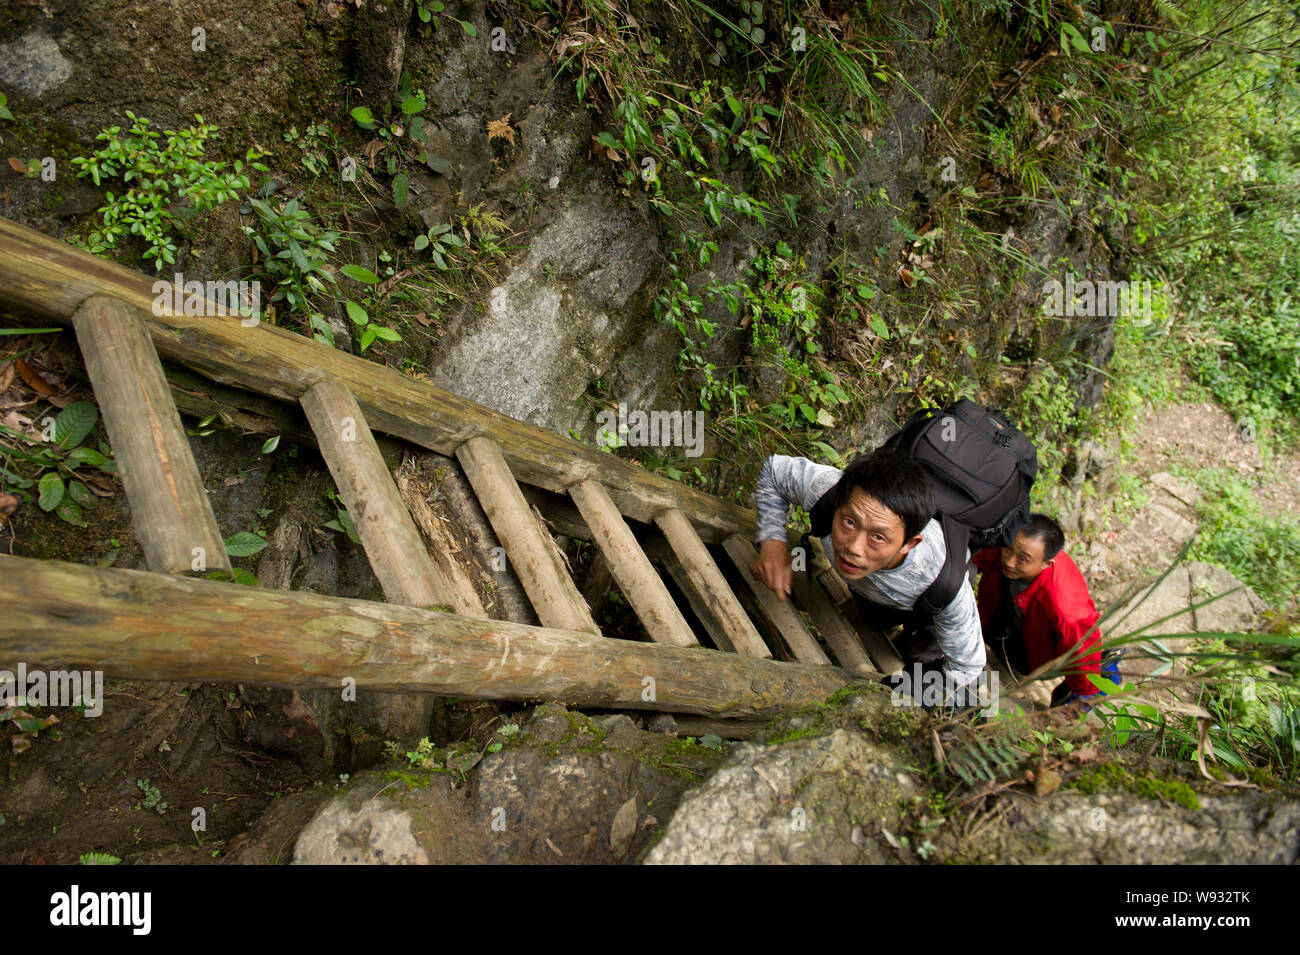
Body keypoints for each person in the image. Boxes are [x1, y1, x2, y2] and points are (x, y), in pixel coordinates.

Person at [752, 448, 986, 704]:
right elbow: (774, 470)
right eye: (849, 522)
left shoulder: (941, 584)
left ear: (909, 543)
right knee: (874, 620)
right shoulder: (829, 491)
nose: (853, 547)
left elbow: (967, 667)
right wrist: (772, 540)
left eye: (878, 537)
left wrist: (900, 691)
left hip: (923, 603)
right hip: (872, 586)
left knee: (919, 650)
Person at [972, 513, 1117, 706]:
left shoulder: (1066, 606)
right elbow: (973, 558)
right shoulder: (1009, 546)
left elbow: (1082, 648)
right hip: (1003, 618)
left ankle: (1109, 671)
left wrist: (1083, 696)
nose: (1009, 561)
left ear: (1046, 564)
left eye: (1023, 559)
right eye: (1008, 549)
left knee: (1022, 664)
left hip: (1037, 650)